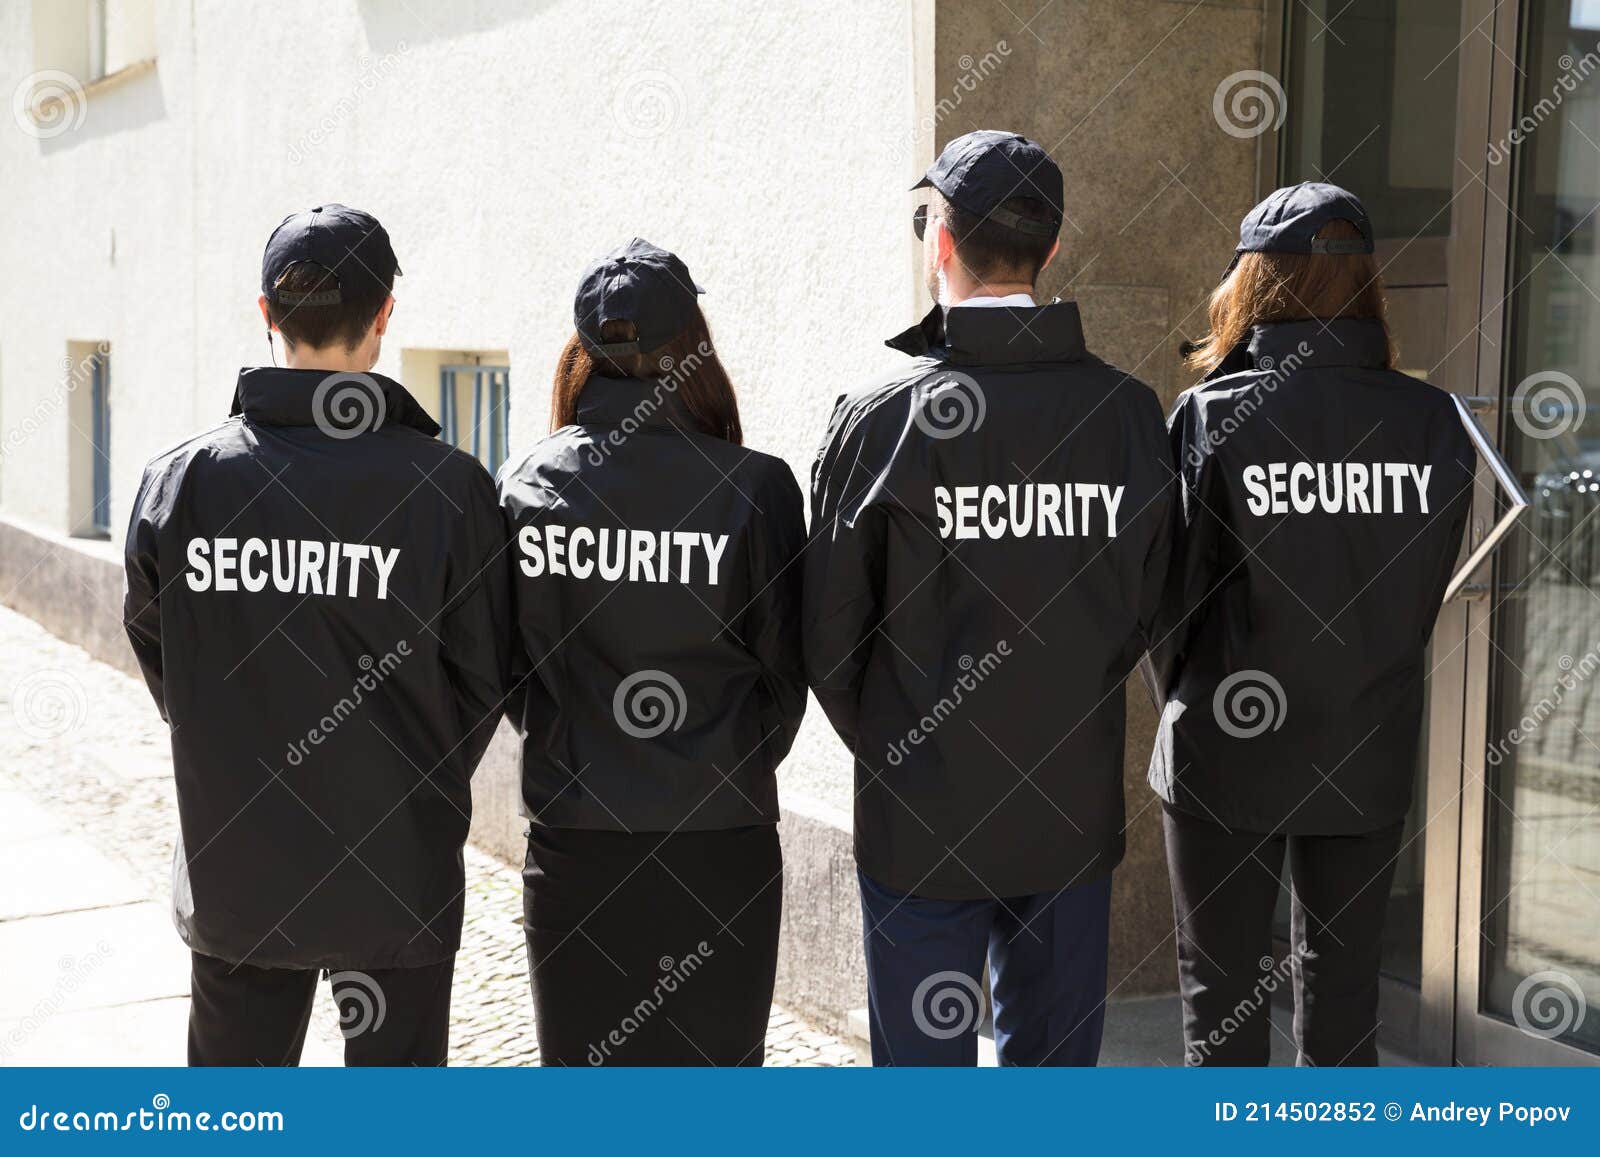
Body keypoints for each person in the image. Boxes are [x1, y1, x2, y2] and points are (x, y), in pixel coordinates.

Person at [804, 131, 1175, 1066]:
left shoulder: (881, 415)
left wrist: (907, 736)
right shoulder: (1126, 414)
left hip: (920, 815)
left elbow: (829, 634)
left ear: (941, 244)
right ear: (1049, 251)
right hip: (1065, 807)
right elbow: (1144, 608)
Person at [122, 204, 511, 1066]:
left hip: (241, 866)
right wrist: (410, 774)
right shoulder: (449, 489)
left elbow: (164, 659)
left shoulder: (180, 484)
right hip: (394, 864)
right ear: (384, 316)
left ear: (267, 314)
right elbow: (485, 678)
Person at [1147, 182, 1475, 1066]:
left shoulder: (1215, 416)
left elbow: (1170, 601)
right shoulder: (1433, 418)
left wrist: (1179, 698)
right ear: (1366, 283)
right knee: (1343, 997)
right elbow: (1424, 583)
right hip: (1364, 737)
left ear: (1254, 283)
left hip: (1226, 740)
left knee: (1221, 996)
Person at [499, 239, 806, 1066]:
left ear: (583, 353)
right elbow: (784, 680)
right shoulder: (757, 487)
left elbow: (509, 669)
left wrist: (572, 742)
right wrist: (719, 755)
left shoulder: (525, 485)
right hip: (721, 836)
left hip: (577, 834)